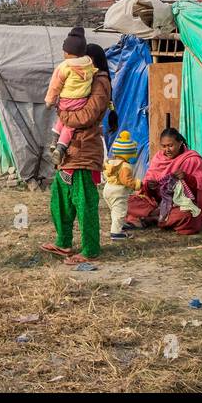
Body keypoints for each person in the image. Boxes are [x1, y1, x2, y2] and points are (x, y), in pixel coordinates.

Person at [41, 41, 112, 265]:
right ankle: (64, 242)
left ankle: (90, 249)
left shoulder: (100, 83)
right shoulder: (84, 82)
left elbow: (86, 117)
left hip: (84, 152)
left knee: (84, 203)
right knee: (60, 200)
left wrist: (62, 113)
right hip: (70, 153)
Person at [123, 128, 202, 235]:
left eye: (170, 145)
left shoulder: (192, 159)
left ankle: (152, 218)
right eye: (164, 146)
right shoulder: (158, 158)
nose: (167, 150)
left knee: (190, 216)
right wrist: (150, 186)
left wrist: (187, 178)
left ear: (180, 143)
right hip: (157, 204)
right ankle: (159, 215)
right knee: (126, 202)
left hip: (179, 205)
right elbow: (147, 188)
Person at [45, 27, 96, 165]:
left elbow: (54, 86)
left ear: (68, 52)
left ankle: (57, 142)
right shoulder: (89, 65)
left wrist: (49, 101)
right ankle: (60, 147)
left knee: (63, 119)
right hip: (80, 102)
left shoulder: (64, 67)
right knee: (70, 125)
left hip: (65, 101)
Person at [104, 131, 142, 240]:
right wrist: (138, 184)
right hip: (118, 192)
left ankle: (118, 225)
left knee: (115, 210)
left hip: (108, 189)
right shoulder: (125, 166)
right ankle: (116, 233)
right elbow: (126, 180)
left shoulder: (111, 162)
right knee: (119, 211)